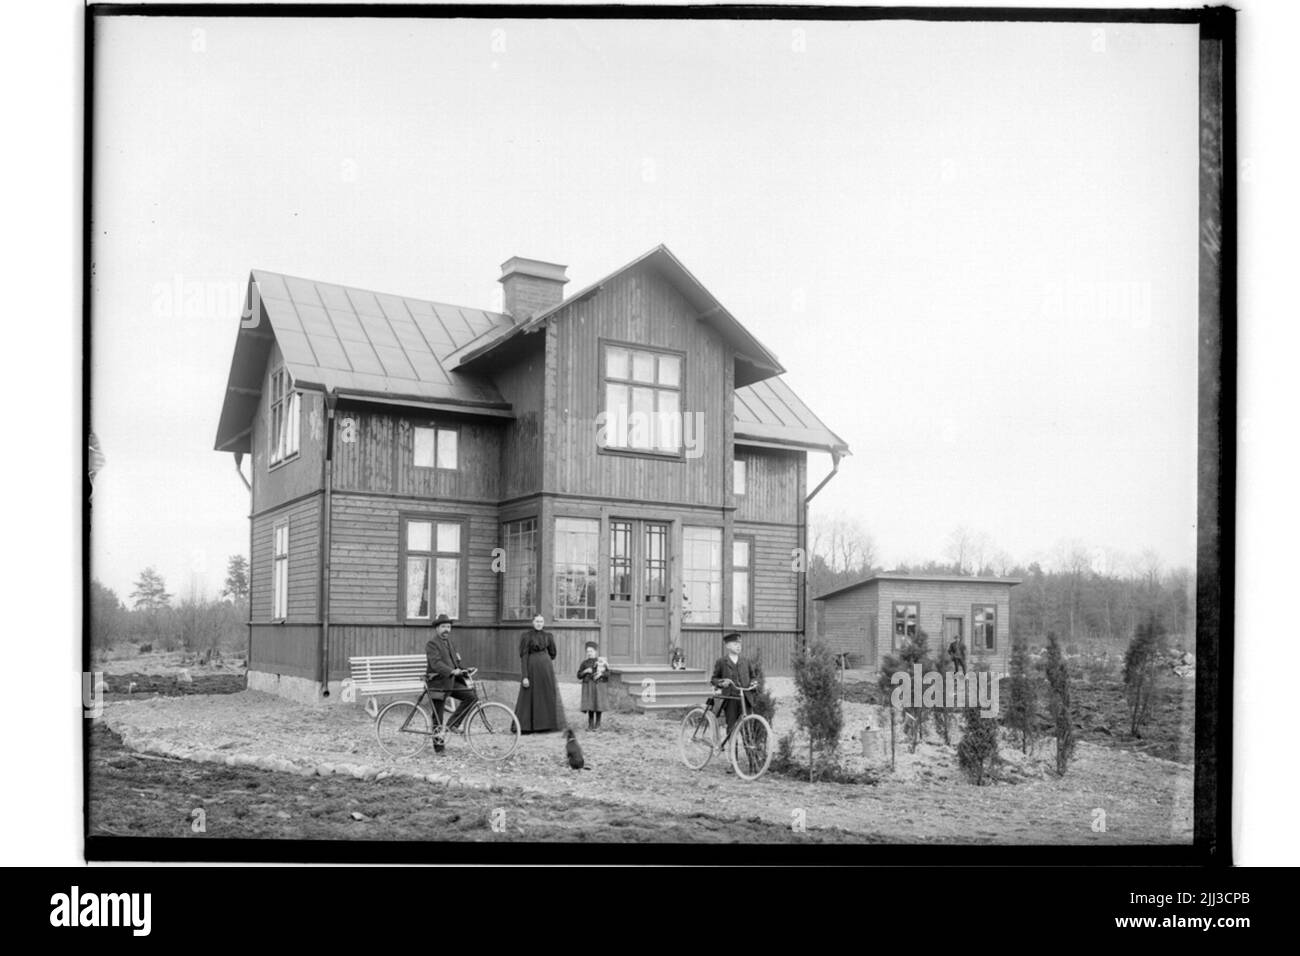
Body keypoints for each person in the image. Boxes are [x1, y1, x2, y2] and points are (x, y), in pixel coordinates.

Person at [424, 614, 477, 754]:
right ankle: (439, 748)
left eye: (448, 626)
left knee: (471, 697)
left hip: (450, 682)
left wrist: (465, 669)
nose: (446, 629)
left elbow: (456, 662)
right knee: (438, 716)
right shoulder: (432, 644)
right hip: (437, 684)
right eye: (443, 627)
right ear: (437, 628)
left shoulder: (450, 643)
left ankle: (453, 723)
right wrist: (452, 671)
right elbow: (436, 664)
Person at [516, 614, 563, 733]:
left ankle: (545, 725)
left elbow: (553, 653)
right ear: (533, 622)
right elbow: (524, 656)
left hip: (546, 670)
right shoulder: (526, 636)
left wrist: (543, 659)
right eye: (537, 621)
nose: (539, 624)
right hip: (531, 669)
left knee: (545, 695)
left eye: (541, 621)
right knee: (529, 695)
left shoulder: (548, 636)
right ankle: (528, 726)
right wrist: (525, 676)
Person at [710, 632, 755, 742]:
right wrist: (721, 683)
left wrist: (754, 683)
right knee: (732, 727)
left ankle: (751, 756)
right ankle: (732, 754)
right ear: (727, 646)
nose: (739, 646)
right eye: (735, 644)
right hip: (731, 699)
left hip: (745, 698)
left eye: (740, 644)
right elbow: (714, 679)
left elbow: (753, 676)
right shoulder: (722, 662)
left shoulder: (746, 661)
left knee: (747, 727)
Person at [576, 641, 610, 731]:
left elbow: (608, 673)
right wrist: (586, 671)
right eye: (588, 651)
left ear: (595, 652)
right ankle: (590, 725)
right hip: (588, 686)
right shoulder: (584, 663)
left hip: (598, 686)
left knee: (598, 704)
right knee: (590, 705)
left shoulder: (600, 661)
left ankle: (598, 725)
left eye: (591, 651)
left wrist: (601, 674)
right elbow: (579, 675)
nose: (589, 653)